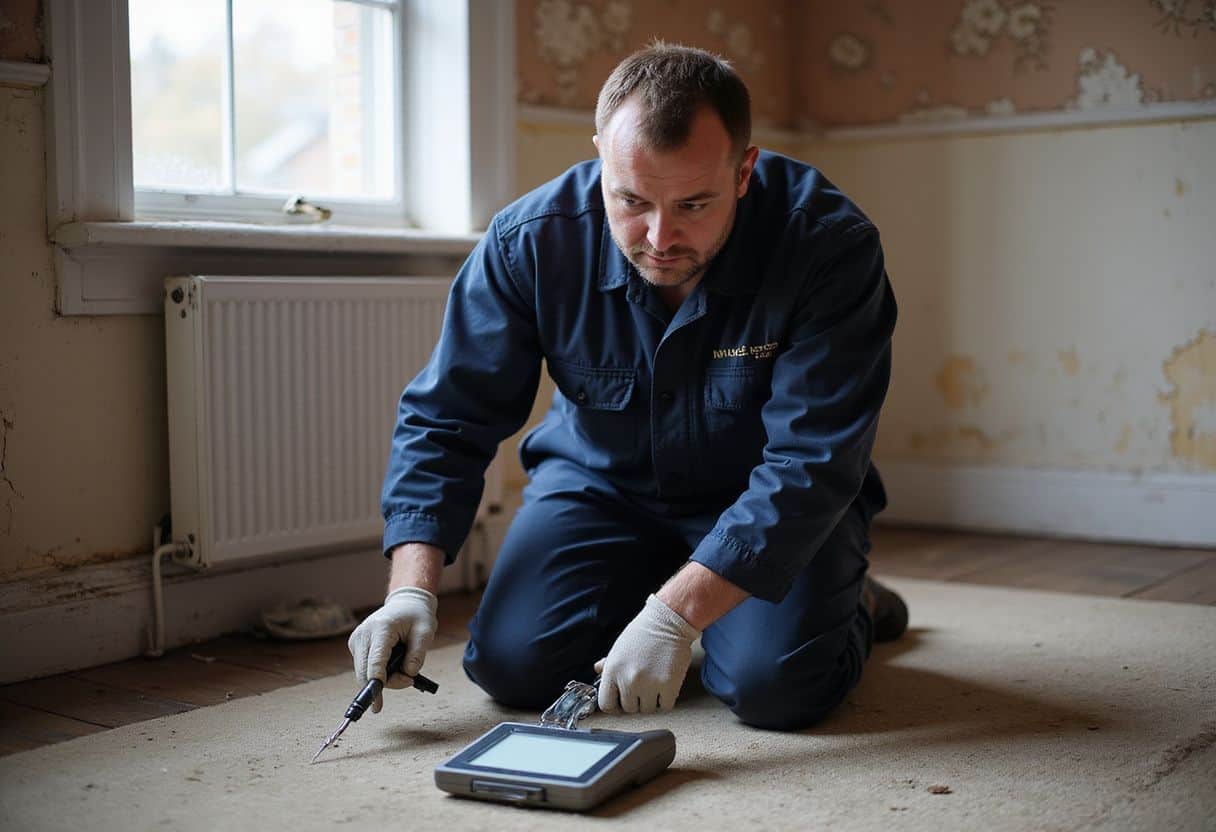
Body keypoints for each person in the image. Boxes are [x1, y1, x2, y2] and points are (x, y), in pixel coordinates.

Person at [348, 42, 905, 731]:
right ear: (601, 161)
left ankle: (854, 602)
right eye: (631, 200)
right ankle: (680, 592)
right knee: (511, 667)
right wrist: (412, 593)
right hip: (601, 488)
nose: (660, 237)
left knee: (777, 689)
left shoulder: (829, 247)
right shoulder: (529, 242)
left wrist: (674, 618)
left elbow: (813, 461)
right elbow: (447, 418)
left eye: (694, 204)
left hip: (765, 501)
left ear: (744, 171)